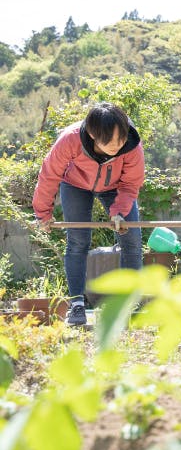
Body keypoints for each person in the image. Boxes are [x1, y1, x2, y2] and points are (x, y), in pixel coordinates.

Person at [33, 102, 145, 326]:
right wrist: (43, 213)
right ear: (93, 134)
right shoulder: (70, 139)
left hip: (117, 187)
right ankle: (77, 304)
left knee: (131, 238)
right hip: (75, 185)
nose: (116, 146)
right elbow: (49, 175)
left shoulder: (132, 144)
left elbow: (131, 183)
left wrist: (119, 212)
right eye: (110, 141)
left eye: (120, 140)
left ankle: (129, 301)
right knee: (78, 241)